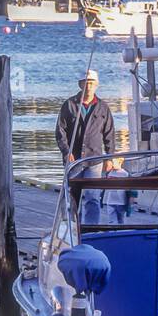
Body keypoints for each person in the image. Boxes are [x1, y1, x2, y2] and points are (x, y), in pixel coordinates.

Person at [55, 68, 115, 224]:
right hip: (74, 159)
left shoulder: (103, 107)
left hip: (95, 159)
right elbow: (60, 132)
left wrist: (110, 157)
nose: (88, 86)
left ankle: (90, 229)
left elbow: (109, 133)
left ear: (97, 85)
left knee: (92, 197)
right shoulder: (69, 105)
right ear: (80, 84)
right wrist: (66, 152)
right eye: (86, 83)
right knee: (71, 197)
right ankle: (70, 227)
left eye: (91, 83)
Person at [102, 157, 129, 225]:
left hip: (121, 201)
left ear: (120, 162)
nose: (113, 164)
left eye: (114, 162)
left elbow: (129, 188)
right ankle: (112, 232)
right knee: (111, 221)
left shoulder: (125, 174)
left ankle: (120, 232)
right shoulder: (109, 173)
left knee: (121, 220)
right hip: (110, 201)